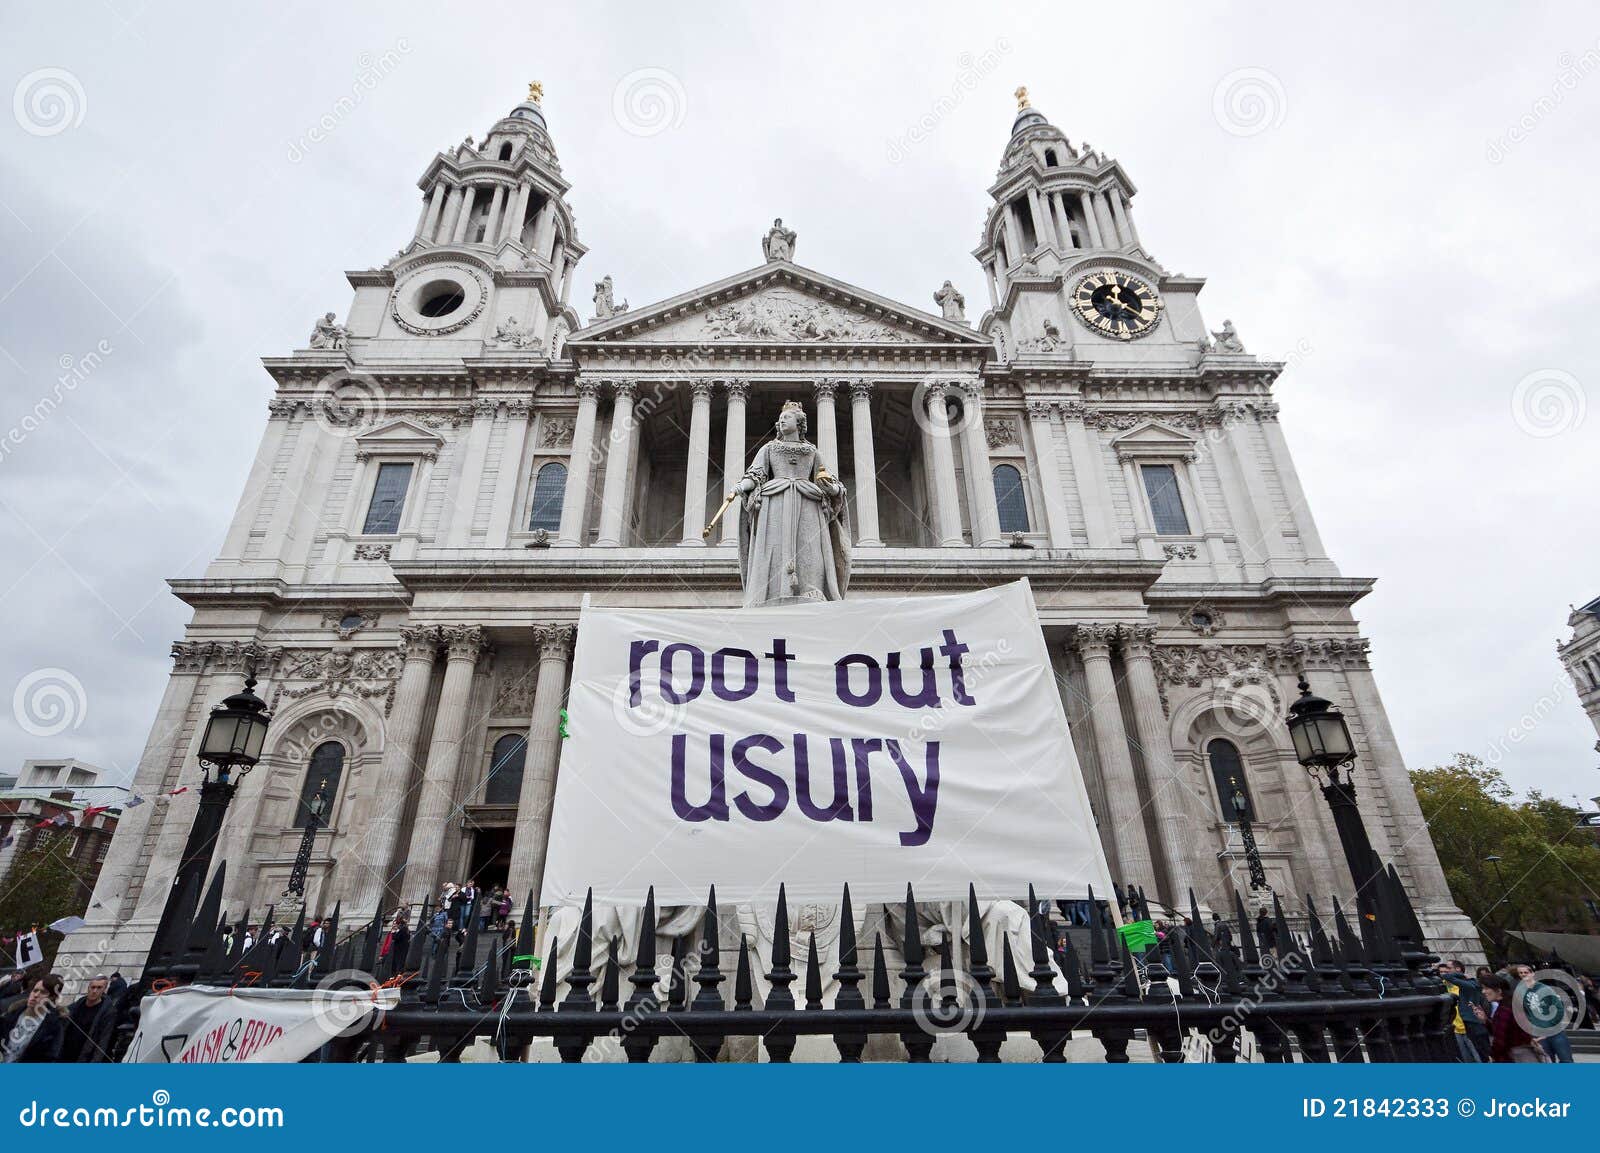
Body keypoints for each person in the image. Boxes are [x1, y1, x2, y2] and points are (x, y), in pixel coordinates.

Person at [1510, 963, 1573, 1062]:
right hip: (1537, 1034)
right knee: (1546, 1061)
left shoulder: (1544, 988)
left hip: (1555, 1031)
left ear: (1532, 974)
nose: (1523, 974)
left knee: (1566, 1060)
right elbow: (1523, 1013)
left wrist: (1551, 1025)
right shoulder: (1519, 992)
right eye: (1520, 973)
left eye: (1525, 972)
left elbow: (1559, 1008)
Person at [1482, 975, 1545, 1062]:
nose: (1483, 992)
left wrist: (1492, 1055)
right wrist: (1486, 1020)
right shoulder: (1512, 1004)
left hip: (1513, 1057)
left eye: (1486, 988)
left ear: (1499, 991)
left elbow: (1500, 1041)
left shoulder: (1504, 1010)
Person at [0, 976, 63, 1062]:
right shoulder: (12, 1014)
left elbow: (50, 1058)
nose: (36, 995)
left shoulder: (53, 1026)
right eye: (35, 990)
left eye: (43, 992)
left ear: (51, 998)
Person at [58, 975, 111, 1063]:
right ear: (88, 987)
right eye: (93, 987)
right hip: (64, 1054)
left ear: (104, 989)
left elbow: (103, 1041)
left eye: (99, 988)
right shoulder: (78, 1004)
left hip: (84, 1057)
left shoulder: (107, 1012)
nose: (94, 991)